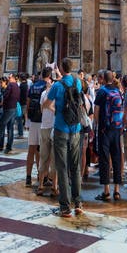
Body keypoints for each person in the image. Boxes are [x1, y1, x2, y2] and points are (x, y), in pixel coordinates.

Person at [43, 56, 83, 218]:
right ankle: (78, 203)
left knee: (62, 167)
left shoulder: (56, 86)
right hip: (76, 128)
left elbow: (46, 103)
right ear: (72, 68)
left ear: (61, 67)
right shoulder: (77, 82)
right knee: (75, 167)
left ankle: (65, 207)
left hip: (61, 128)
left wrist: (55, 110)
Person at [93, 69, 124, 201]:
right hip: (117, 128)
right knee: (117, 158)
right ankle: (117, 190)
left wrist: (96, 126)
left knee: (105, 159)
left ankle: (106, 191)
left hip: (105, 129)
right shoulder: (118, 91)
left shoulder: (101, 91)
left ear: (103, 79)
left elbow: (96, 111)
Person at [36, 67, 58, 197]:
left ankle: (48, 185)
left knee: (50, 158)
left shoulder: (49, 93)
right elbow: (43, 108)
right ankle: (45, 185)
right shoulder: (45, 93)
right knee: (47, 157)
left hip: (51, 127)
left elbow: (43, 108)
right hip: (48, 126)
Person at [25, 69, 48, 186]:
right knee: (41, 150)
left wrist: (27, 118)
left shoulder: (33, 86)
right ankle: (41, 177)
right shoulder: (47, 87)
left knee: (31, 149)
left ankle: (28, 177)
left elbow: (28, 102)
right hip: (43, 121)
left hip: (33, 119)